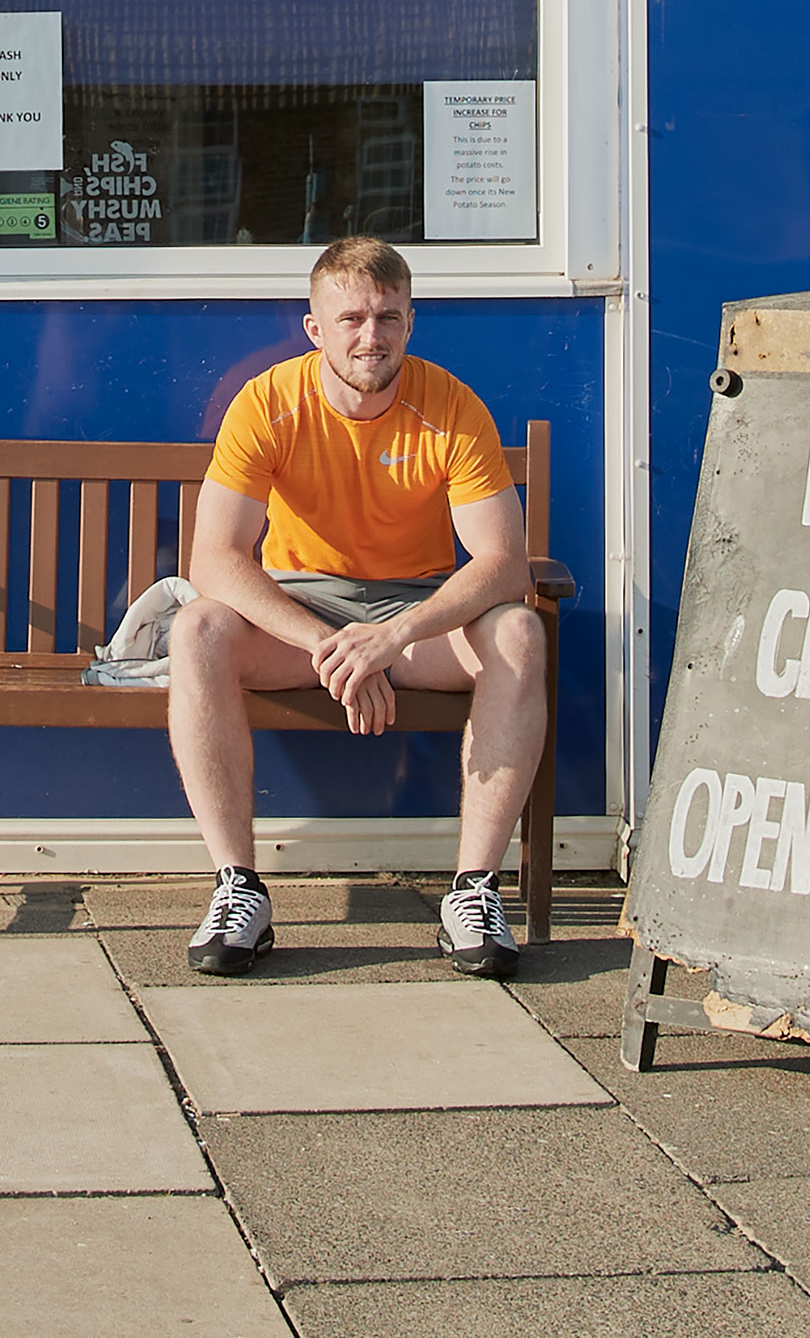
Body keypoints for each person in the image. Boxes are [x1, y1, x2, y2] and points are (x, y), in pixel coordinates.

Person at [168, 236, 546, 980]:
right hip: (302, 605)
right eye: (351, 318)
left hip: (416, 613)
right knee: (198, 628)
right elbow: (213, 560)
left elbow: (504, 564)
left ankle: (474, 891)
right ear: (316, 328)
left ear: (411, 322)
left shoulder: (451, 405)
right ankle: (237, 888)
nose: (371, 336)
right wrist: (329, 644)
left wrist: (391, 636)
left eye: (387, 317)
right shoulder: (268, 403)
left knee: (520, 633)